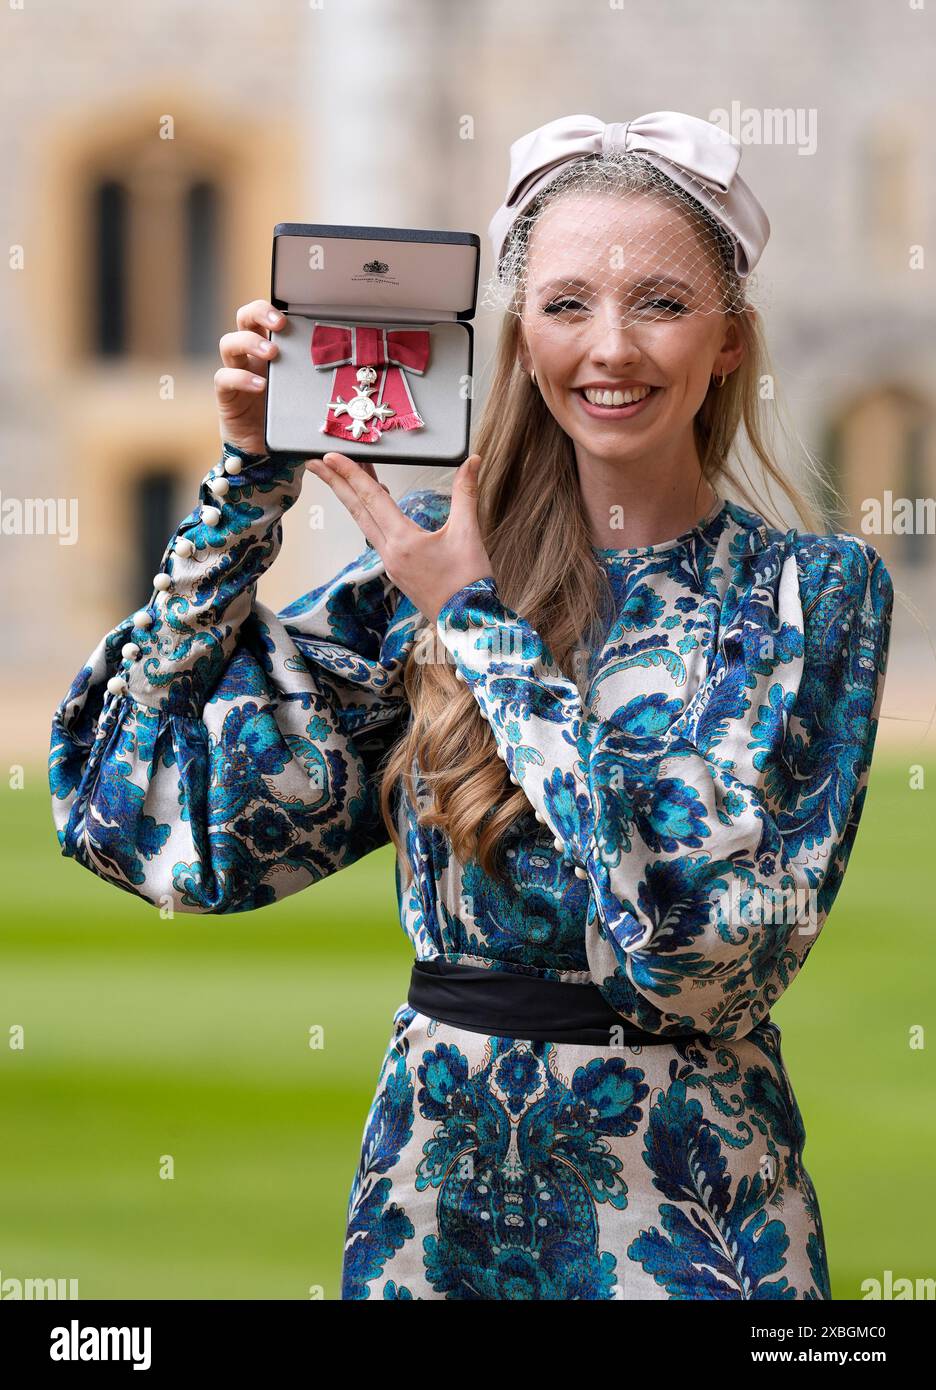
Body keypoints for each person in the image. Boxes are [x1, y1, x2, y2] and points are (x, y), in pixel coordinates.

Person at [49, 111, 894, 1301]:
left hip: (698, 1224)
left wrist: (484, 632)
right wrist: (251, 480)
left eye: (659, 301)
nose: (611, 347)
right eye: (563, 305)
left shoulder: (812, 597)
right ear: (516, 338)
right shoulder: (427, 574)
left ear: (730, 345)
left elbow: (708, 953)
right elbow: (134, 808)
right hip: (433, 1216)